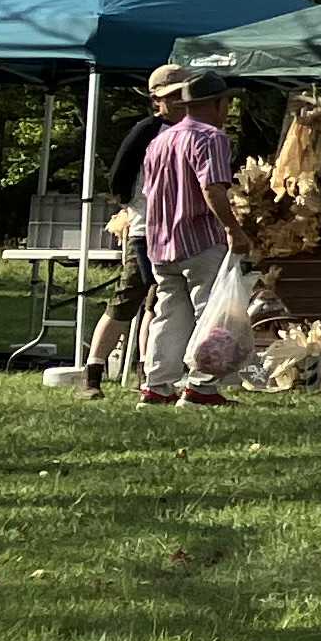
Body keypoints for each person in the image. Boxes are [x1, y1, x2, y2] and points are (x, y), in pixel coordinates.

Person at [133, 75, 242, 410]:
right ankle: (201, 387)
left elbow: (148, 193)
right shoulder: (211, 137)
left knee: (168, 313)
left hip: (161, 242)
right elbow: (213, 189)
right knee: (210, 312)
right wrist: (233, 229)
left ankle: (157, 386)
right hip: (200, 239)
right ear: (218, 104)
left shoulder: (160, 141)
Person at [81, 66, 188, 393]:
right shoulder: (147, 130)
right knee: (129, 296)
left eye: (183, 94)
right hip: (145, 228)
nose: (180, 102)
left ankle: (149, 373)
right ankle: (93, 371)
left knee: (161, 301)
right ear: (156, 100)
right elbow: (119, 177)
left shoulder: (195, 130)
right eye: (172, 96)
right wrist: (135, 207)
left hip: (180, 231)